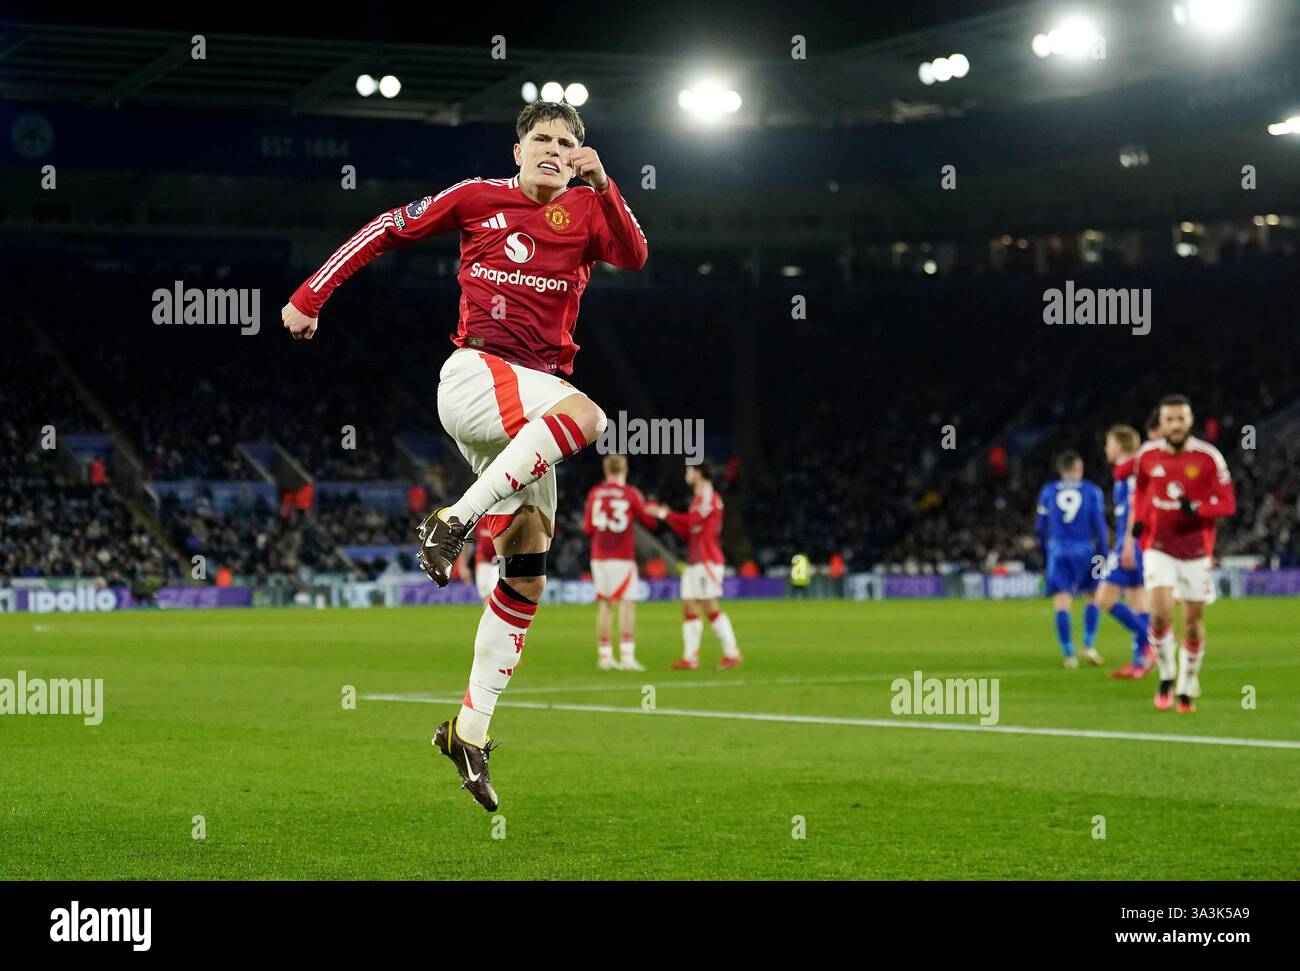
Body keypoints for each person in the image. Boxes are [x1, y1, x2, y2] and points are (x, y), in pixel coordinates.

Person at [281, 100, 647, 810]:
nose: (554, 148)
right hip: (478, 376)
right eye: (540, 137)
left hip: (529, 406)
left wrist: (605, 183)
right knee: (590, 415)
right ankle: (450, 519)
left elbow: (634, 255)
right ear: (517, 150)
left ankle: (468, 731)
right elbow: (388, 227)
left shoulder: (587, 208)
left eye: (567, 141)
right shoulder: (478, 197)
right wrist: (311, 293)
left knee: (530, 563)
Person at [1131, 395, 1236, 712]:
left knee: (1192, 623)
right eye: (1169, 420)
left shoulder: (1208, 458)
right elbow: (1140, 489)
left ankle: (1187, 683)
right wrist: (1138, 521)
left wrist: (1199, 509)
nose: (1175, 425)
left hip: (1195, 551)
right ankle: (1166, 674)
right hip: (1158, 547)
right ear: (1160, 424)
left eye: (1181, 419)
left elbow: (1228, 505)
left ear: (1190, 421)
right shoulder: (1147, 456)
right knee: (1159, 613)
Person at [651, 464, 743, 671]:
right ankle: (690, 657)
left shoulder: (709, 497)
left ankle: (732, 653)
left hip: (707, 561)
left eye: (690, 470)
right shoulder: (698, 499)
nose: (687, 474)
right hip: (695, 561)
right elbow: (690, 530)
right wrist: (667, 517)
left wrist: (666, 515)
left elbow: (694, 520)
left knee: (709, 606)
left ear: (700, 473)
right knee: (689, 606)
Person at [582, 454, 657, 671]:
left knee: (605, 606)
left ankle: (604, 656)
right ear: (625, 470)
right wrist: (651, 503)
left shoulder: (595, 493)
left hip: (599, 557)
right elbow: (649, 521)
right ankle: (626, 656)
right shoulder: (630, 493)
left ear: (606, 471)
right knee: (626, 605)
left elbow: (587, 529)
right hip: (622, 556)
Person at [1035, 450, 1108, 668]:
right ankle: (1088, 644)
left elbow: (1040, 527)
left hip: (1058, 549)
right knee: (1093, 596)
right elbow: (1100, 526)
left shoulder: (1048, 491)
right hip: (1086, 549)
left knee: (1062, 603)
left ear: (1061, 471)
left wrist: (1046, 552)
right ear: (1079, 469)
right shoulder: (1092, 490)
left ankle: (1069, 654)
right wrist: (1103, 553)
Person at [1096, 425, 1153, 679]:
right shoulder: (1128, 471)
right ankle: (1139, 663)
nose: (1106, 449)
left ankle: (1151, 639)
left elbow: (1135, 507)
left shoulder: (1132, 471)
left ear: (1119, 445)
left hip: (1131, 543)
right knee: (1137, 602)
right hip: (1136, 542)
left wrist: (1128, 543)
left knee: (1104, 599)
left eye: (1109, 443)